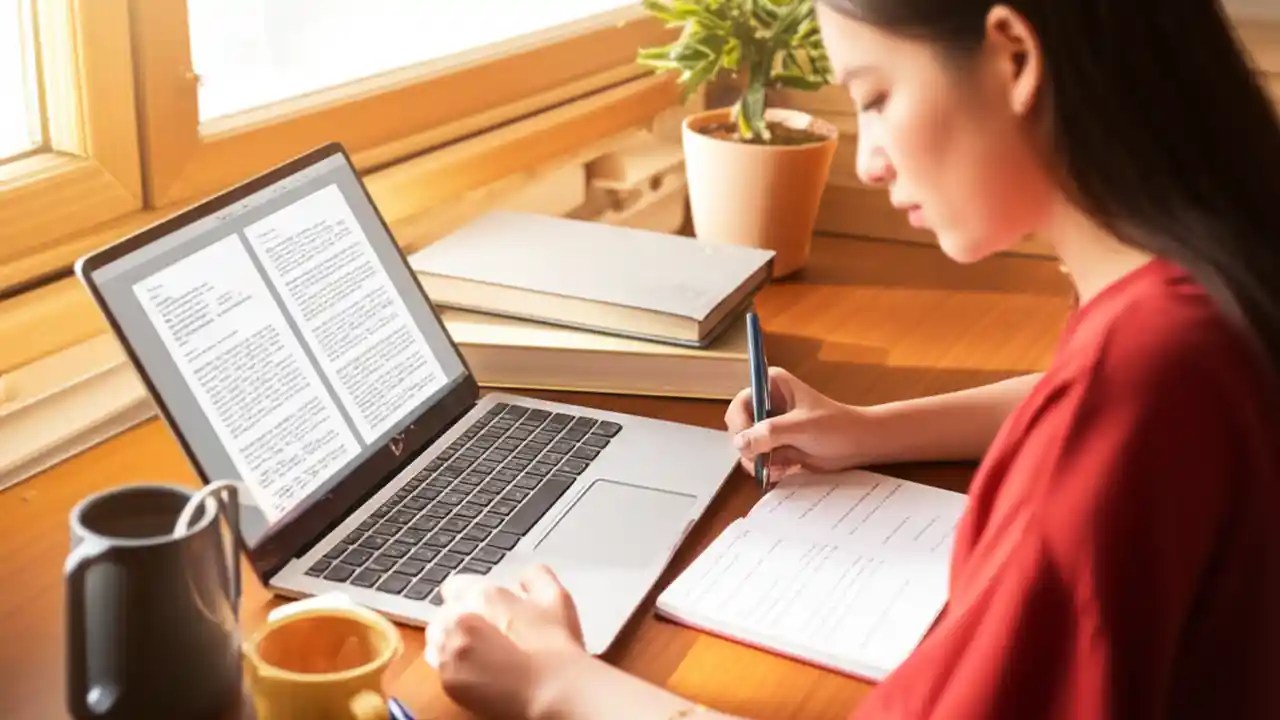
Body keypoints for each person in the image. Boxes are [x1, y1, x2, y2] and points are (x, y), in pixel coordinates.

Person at [423, 0, 1280, 717]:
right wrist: (871, 429)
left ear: (1015, 56)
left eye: (874, 97)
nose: (867, 160)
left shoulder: (1144, 379)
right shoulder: (1203, 292)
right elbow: (1080, 399)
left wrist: (557, 687)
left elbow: (1109, 407)